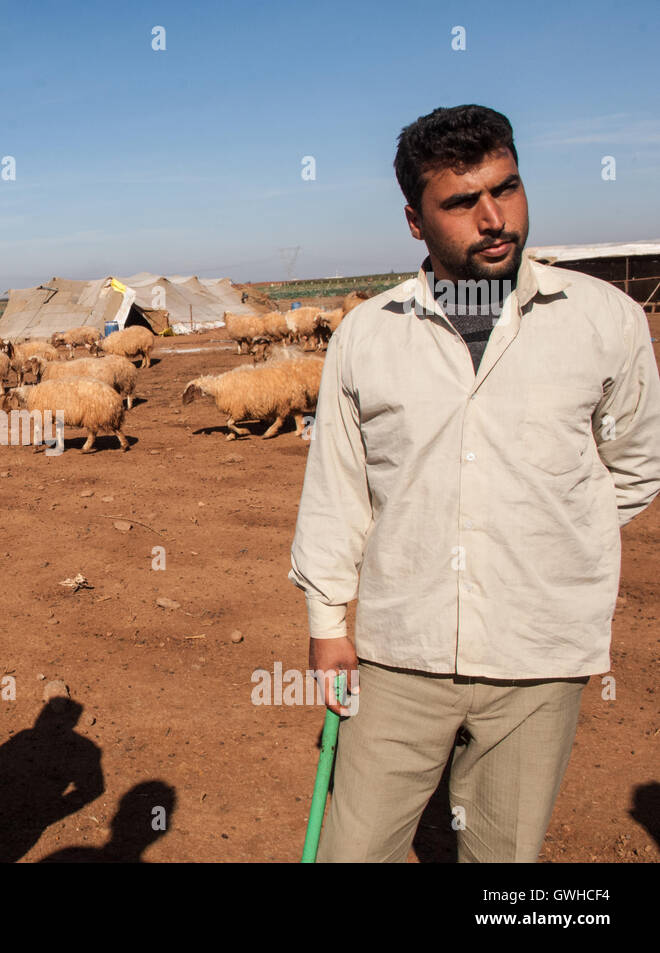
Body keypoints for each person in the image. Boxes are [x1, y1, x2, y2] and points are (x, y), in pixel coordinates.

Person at [289, 104, 660, 862]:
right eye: (462, 202)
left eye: (508, 188)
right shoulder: (369, 333)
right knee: (352, 851)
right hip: (400, 650)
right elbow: (338, 488)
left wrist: (555, 532)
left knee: (501, 859)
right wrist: (328, 624)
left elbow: (635, 463)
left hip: (539, 653)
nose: (494, 218)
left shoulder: (604, 320)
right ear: (415, 221)